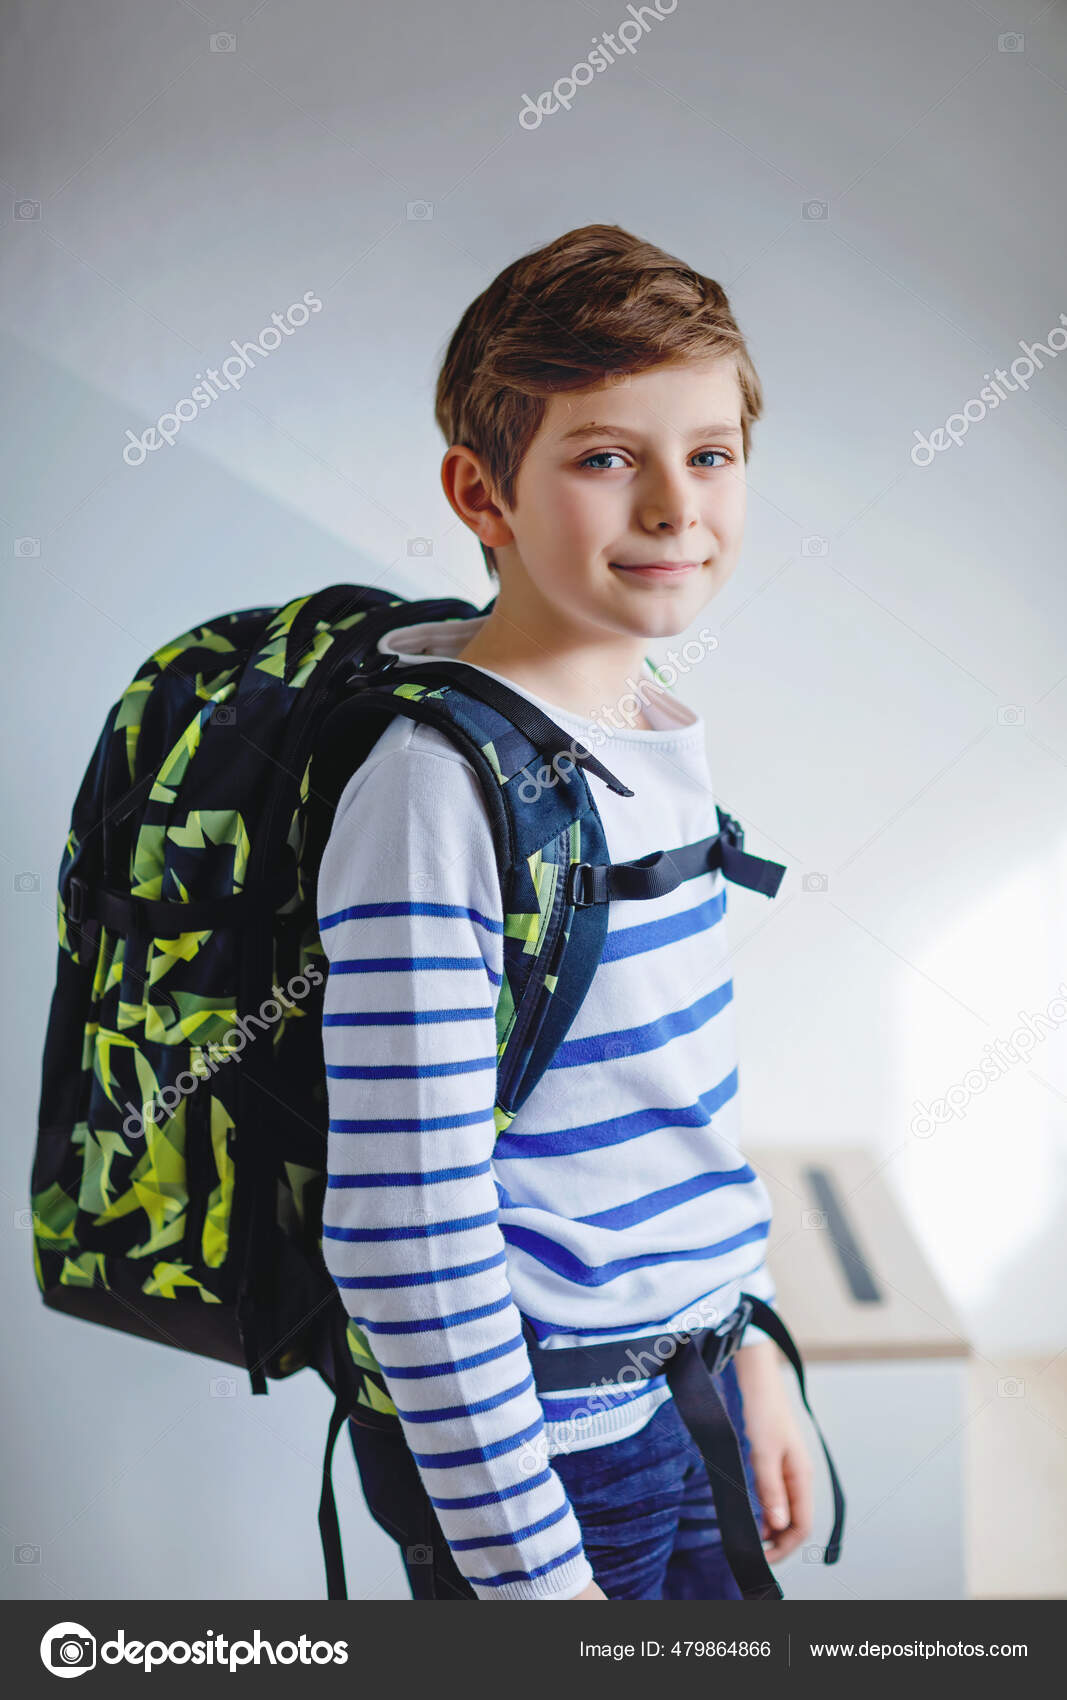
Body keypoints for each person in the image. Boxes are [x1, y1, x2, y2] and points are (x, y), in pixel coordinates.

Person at [316, 222, 814, 1601]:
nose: (675, 507)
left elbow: (662, 1126)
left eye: (710, 454)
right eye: (607, 456)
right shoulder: (433, 792)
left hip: (685, 1395)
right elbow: (403, 1233)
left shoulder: (650, 730)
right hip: (550, 1466)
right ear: (481, 494)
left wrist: (749, 1344)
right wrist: (533, 1582)